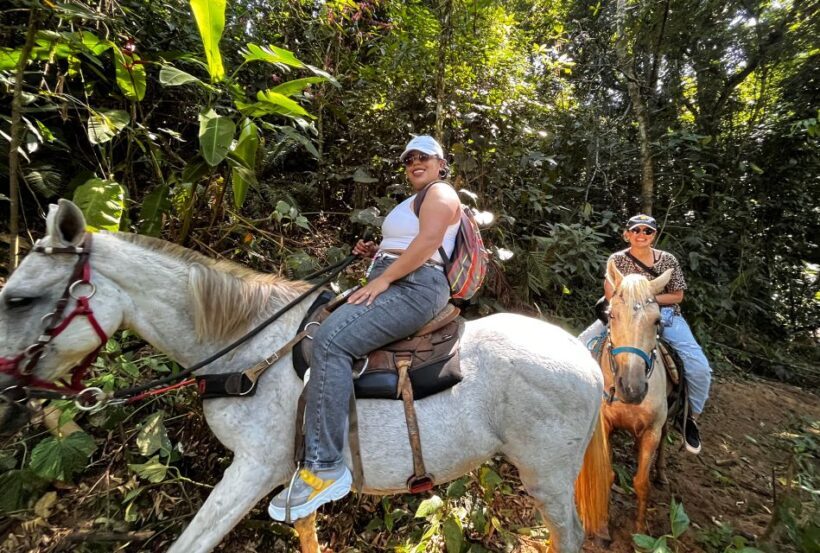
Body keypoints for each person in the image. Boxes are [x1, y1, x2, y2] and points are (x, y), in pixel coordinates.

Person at [268, 135, 461, 521]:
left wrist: (383, 279)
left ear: (441, 164)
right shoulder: (413, 200)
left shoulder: (441, 192)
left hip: (417, 284)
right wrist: (374, 255)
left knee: (329, 343)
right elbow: (406, 242)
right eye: (409, 159)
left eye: (423, 157)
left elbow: (427, 242)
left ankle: (325, 467)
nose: (414, 163)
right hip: (400, 276)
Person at [578, 214, 712, 454]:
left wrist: (645, 300)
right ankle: (577, 403)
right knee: (580, 345)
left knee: (699, 366)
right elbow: (610, 292)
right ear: (627, 234)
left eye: (647, 231)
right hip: (624, 315)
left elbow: (677, 295)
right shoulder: (616, 259)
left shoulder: (666, 260)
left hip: (663, 315)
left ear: (654, 235)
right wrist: (631, 305)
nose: (642, 234)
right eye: (636, 230)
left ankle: (689, 417)